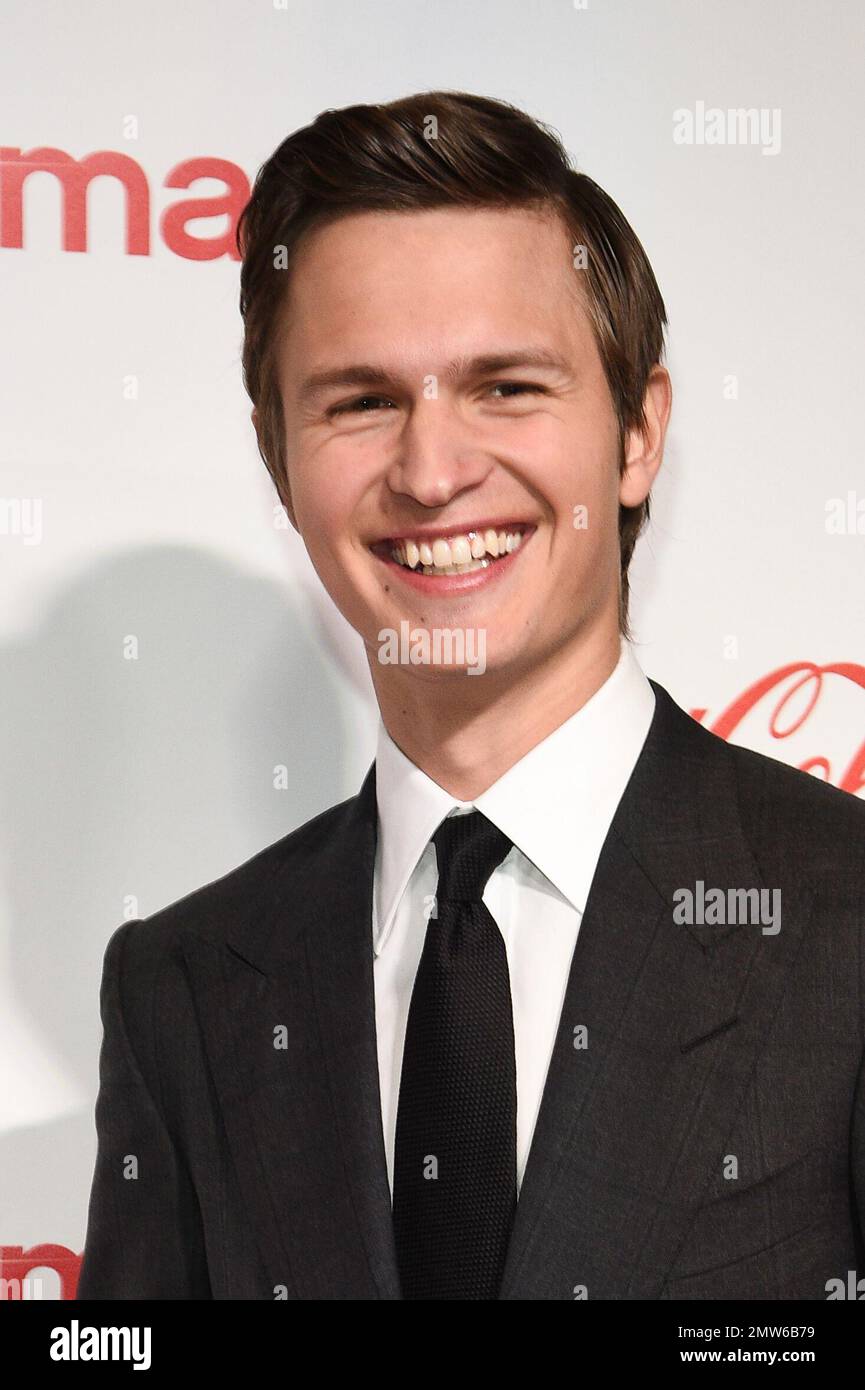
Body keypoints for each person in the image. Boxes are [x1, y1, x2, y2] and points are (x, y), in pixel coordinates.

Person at [77, 90, 865, 1301]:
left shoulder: (841, 918)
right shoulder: (179, 987)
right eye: (361, 400)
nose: (433, 472)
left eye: (506, 386)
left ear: (638, 432)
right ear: (278, 458)